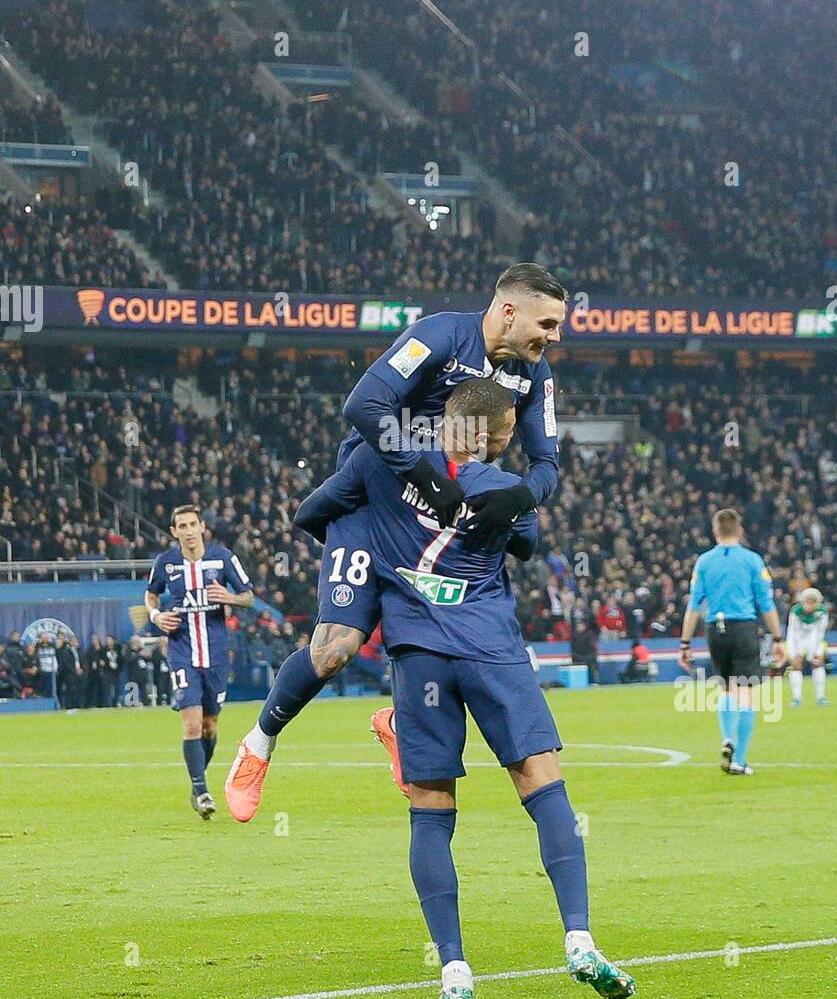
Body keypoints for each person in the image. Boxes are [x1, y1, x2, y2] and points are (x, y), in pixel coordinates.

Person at [290, 378, 635, 999]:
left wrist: (366, 546)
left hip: (419, 655)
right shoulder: (501, 488)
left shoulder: (379, 468)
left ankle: (453, 971)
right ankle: (579, 938)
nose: (510, 444)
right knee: (542, 782)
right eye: (505, 434)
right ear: (487, 433)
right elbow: (527, 542)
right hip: (491, 649)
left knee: (430, 806)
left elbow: (312, 512)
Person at [226, 263, 567, 819]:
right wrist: (419, 472)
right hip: (379, 495)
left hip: (446, 508)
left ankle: (400, 722)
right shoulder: (439, 336)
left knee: (442, 634)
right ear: (509, 310)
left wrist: (521, 497)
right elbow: (364, 406)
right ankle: (258, 744)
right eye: (548, 323)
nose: (554, 337)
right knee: (336, 647)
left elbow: (547, 463)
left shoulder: (535, 377)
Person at [145, 504, 254, 820]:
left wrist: (230, 598)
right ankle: (203, 791)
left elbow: (247, 596)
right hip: (182, 652)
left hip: (217, 655)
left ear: (202, 526)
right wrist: (156, 616)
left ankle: (197, 786)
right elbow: (151, 595)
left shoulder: (223, 558)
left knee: (210, 725)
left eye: (193, 524)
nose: (189, 530)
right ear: (174, 531)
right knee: (192, 723)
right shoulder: (166, 563)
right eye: (182, 526)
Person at [679, 509, 785, 776]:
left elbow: (694, 605)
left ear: (715, 531)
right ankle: (739, 759)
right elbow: (765, 603)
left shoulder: (704, 562)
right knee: (746, 691)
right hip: (743, 627)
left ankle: (727, 737)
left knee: (726, 688)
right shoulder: (752, 560)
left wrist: (685, 643)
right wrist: (778, 637)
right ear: (740, 531)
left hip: (715, 629)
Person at [785, 587, 830, 707]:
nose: (809, 605)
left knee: (817, 663)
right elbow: (792, 632)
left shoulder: (823, 612)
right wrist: (796, 652)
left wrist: (818, 651)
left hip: (814, 639)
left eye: (813, 602)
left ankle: (820, 697)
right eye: (807, 602)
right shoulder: (795, 611)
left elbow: (821, 633)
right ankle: (797, 698)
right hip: (796, 640)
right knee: (796, 665)